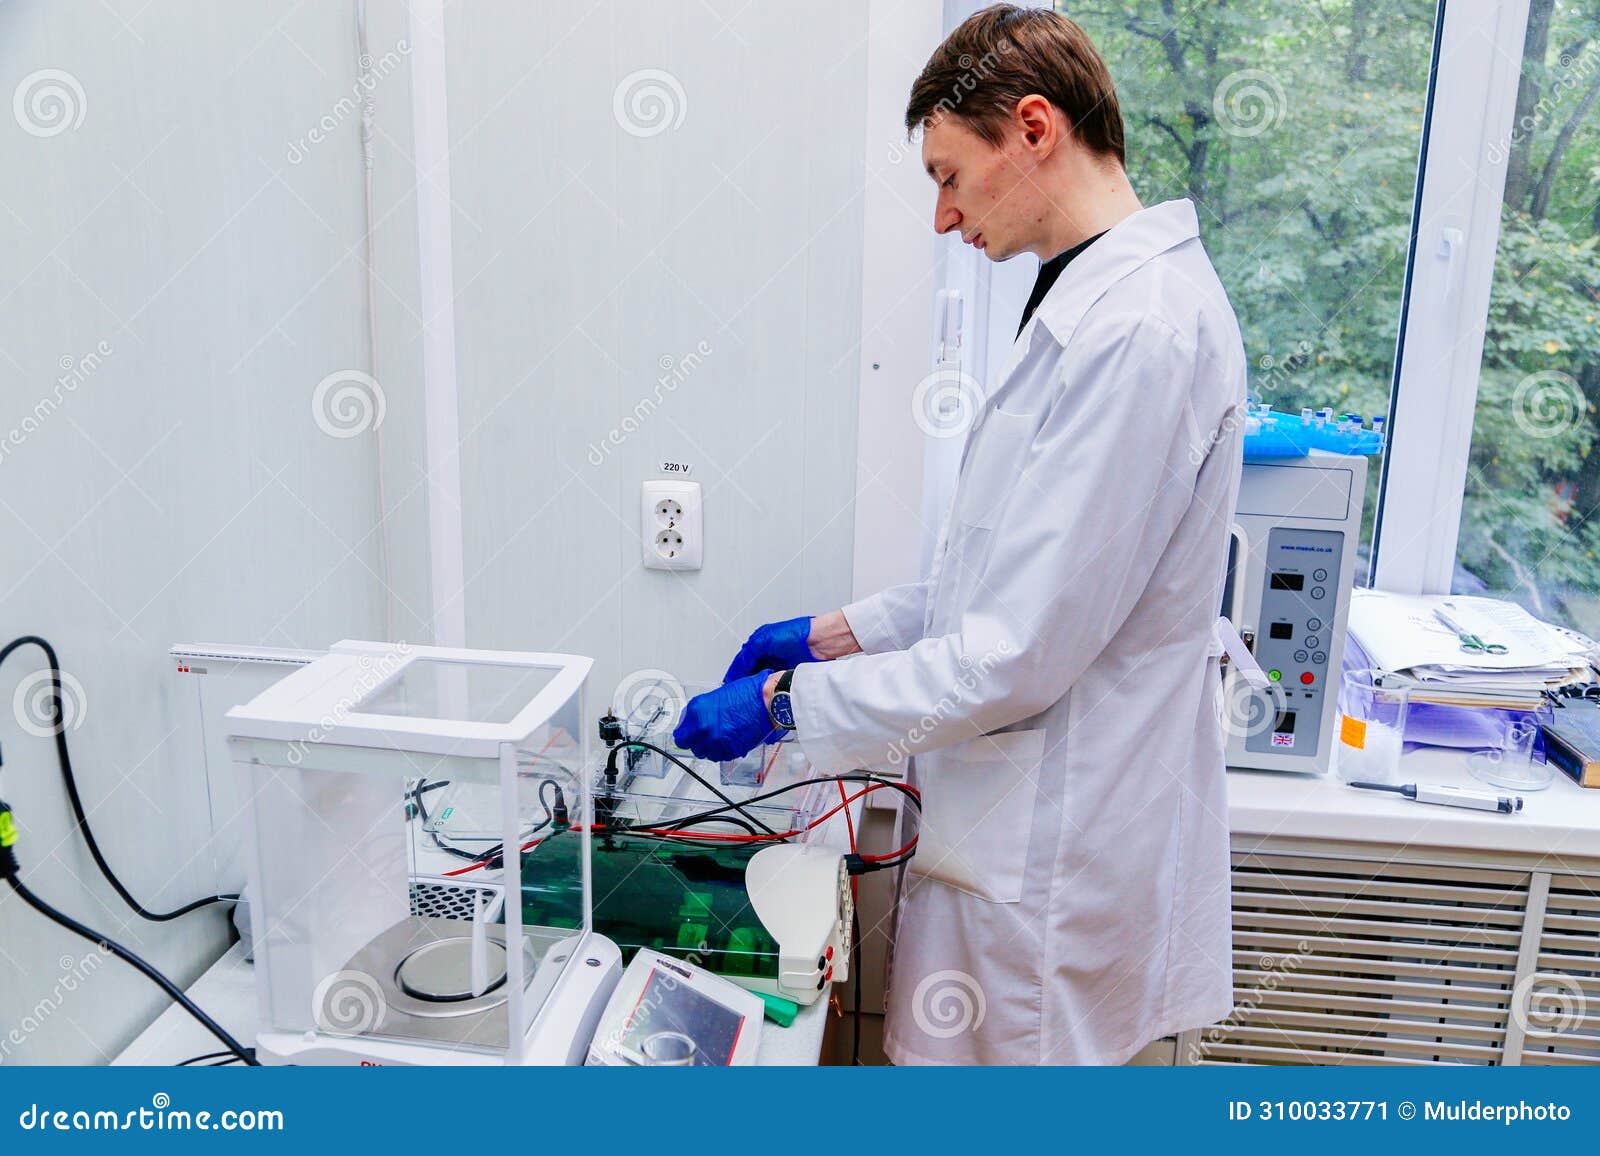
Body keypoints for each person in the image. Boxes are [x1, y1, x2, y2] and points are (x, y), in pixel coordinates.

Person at [674, 4, 1245, 1065]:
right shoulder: (1084, 304)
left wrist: (786, 703)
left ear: (1033, 128)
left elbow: (1016, 652)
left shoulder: (1139, 333)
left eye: (946, 174)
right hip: (1017, 846)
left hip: (1056, 872)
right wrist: (835, 633)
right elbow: (998, 576)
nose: (942, 216)